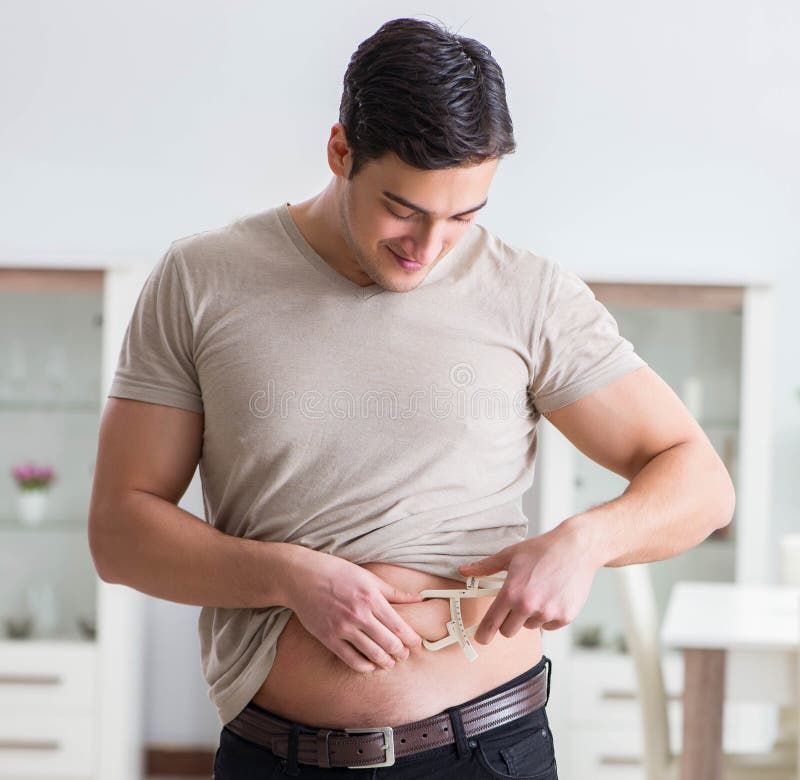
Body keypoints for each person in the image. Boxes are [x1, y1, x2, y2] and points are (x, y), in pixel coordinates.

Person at [88, 16, 735, 780]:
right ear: (340, 151)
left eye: (462, 216)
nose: (428, 249)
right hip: (276, 756)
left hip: (489, 750)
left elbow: (701, 482)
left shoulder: (528, 293)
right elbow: (120, 533)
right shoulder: (201, 279)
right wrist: (290, 577)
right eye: (404, 209)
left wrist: (585, 541)